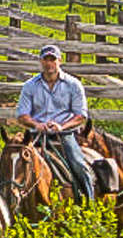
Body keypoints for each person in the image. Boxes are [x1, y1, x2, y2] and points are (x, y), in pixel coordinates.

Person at [15, 43, 95, 200]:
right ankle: (7, 205)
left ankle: (90, 202)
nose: (49, 64)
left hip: (64, 135)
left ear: (60, 61)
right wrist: (37, 125)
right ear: (41, 62)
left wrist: (62, 126)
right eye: (46, 60)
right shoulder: (29, 86)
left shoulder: (73, 85)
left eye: (52, 59)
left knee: (79, 164)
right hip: (36, 135)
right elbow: (21, 114)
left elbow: (81, 115)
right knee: (13, 163)